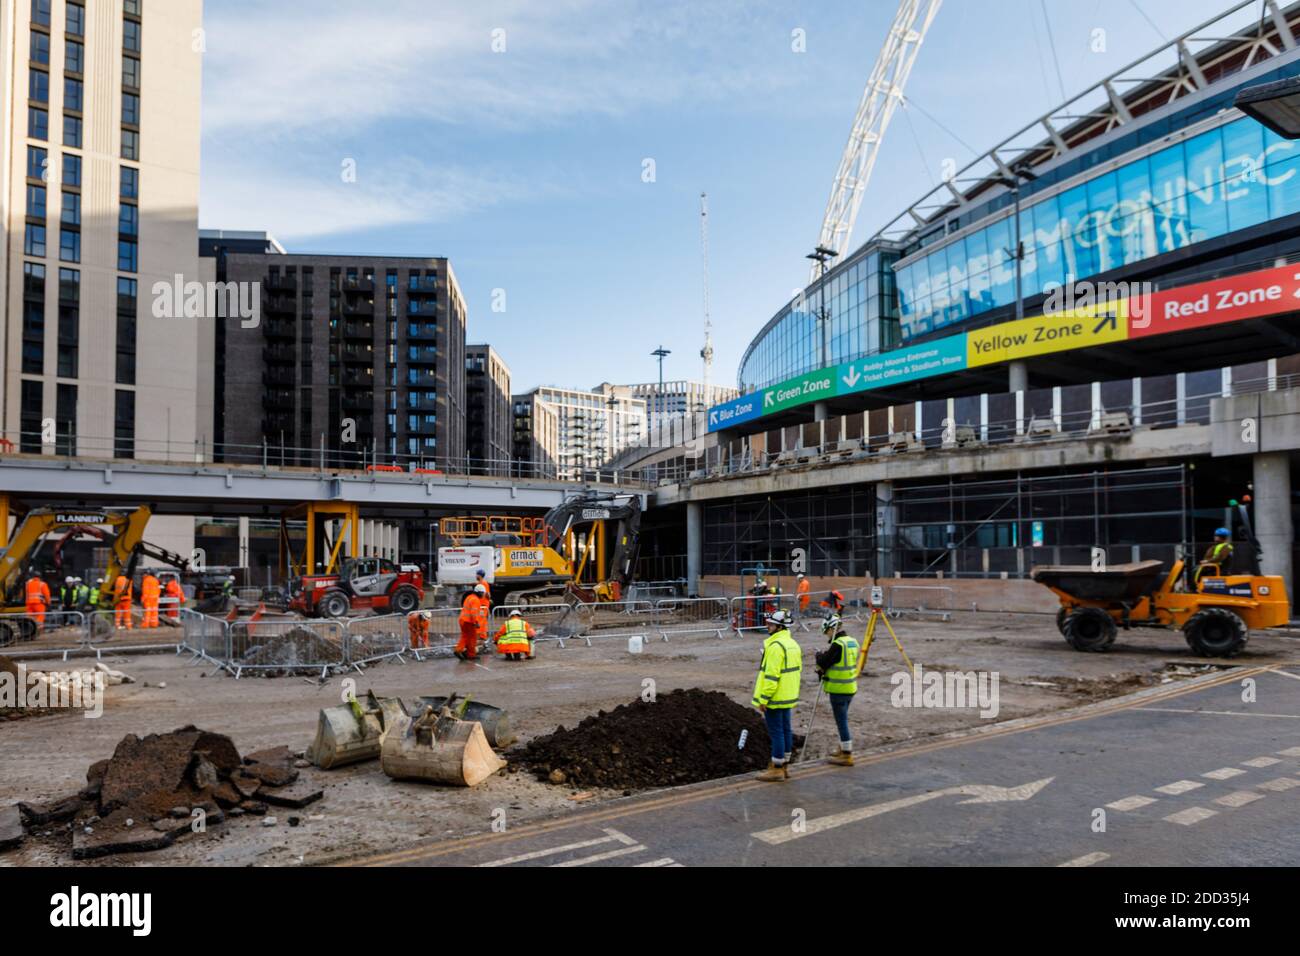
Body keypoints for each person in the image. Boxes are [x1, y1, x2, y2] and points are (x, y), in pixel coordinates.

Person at [751, 608, 802, 782]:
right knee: (786, 730)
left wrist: (764, 698)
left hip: (774, 696)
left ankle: (777, 768)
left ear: (780, 627)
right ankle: (785, 765)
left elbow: (771, 676)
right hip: (788, 695)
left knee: (777, 733)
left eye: (772, 624)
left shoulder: (775, 647)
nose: (768, 626)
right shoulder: (793, 644)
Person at [814, 614, 859, 767]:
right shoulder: (852, 642)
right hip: (850, 687)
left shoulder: (838, 644)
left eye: (826, 631)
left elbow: (824, 662)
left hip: (838, 689)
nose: (826, 634)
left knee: (841, 722)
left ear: (832, 628)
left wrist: (819, 655)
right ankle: (843, 748)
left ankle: (846, 755)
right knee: (843, 719)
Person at [454, 585, 486, 661]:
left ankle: (466, 652)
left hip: (463, 620)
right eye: (482, 593)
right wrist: (476, 622)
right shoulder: (476, 600)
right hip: (469, 622)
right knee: (471, 638)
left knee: (465, 636)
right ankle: (464, 652)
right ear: (479, 592)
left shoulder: (469, 597)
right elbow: (474, 613)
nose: (483, 595)